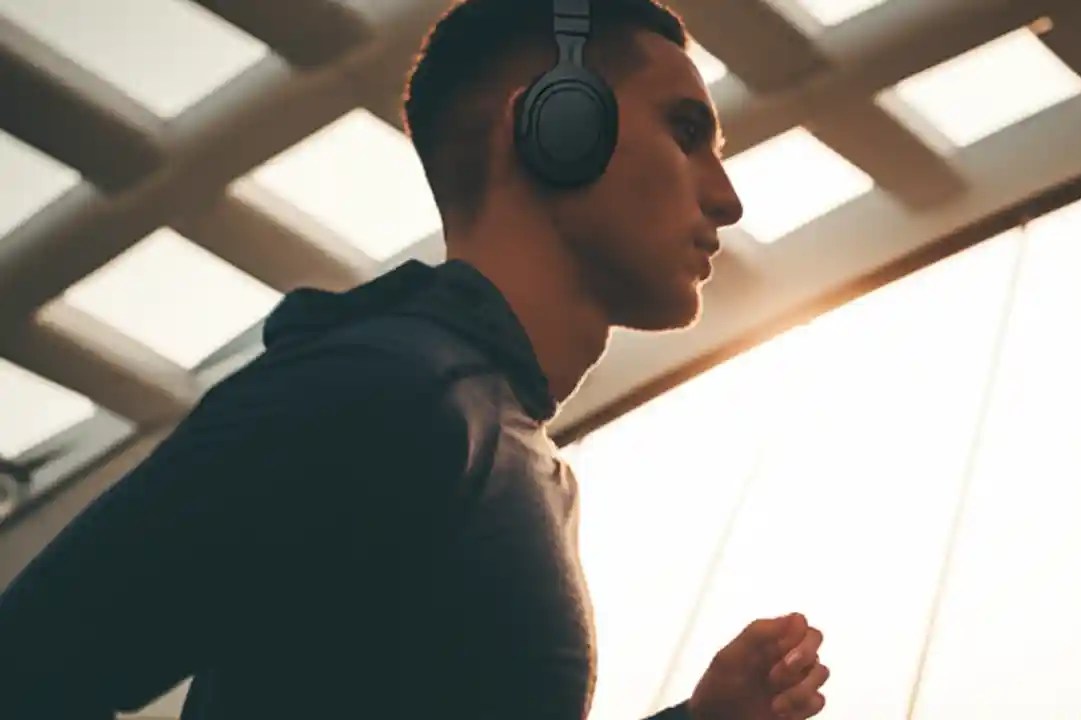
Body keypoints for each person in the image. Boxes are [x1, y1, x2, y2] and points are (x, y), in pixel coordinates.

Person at [0, 0, 832, 718]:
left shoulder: (518, 452)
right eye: (686, 132)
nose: (728, 197)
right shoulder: (388, 393)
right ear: (556, 127)